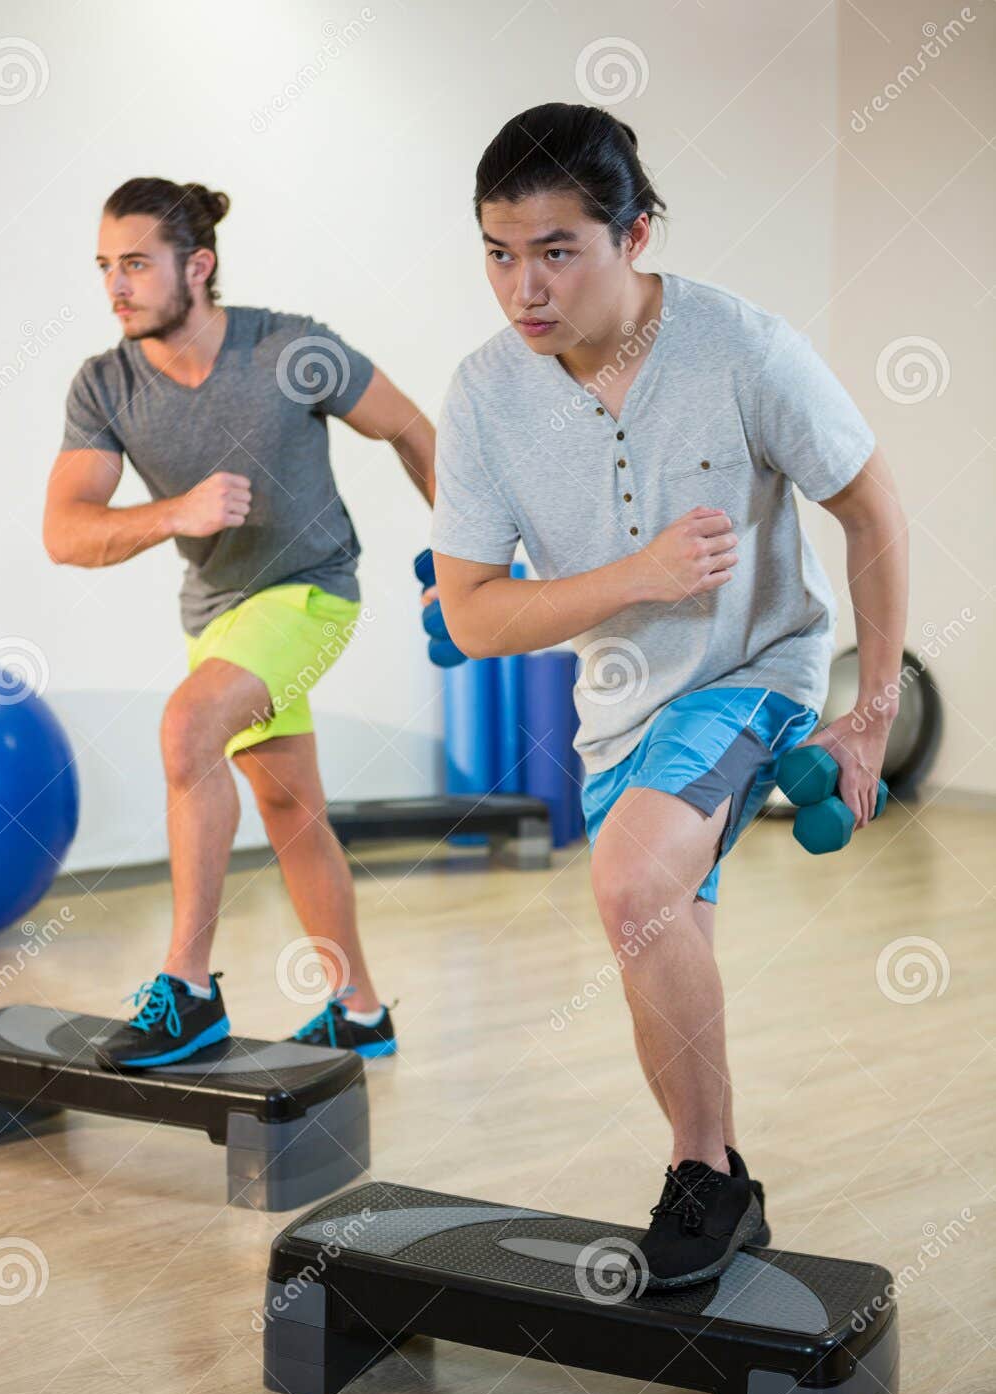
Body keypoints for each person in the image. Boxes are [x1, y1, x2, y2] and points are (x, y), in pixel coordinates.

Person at [430, 105, 907, 1289]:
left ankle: (704, 1174)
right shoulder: (484, 395)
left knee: (632, 877)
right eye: (497, 251)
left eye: (554, 250)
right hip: (618, 712)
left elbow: (871, 510)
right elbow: (476, 613)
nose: (521, 287)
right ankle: (716, 1174)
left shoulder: (741, 348)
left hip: (754, 677)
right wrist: (632, 580)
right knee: (653, 924)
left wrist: (872, 707)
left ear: (632, 233)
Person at [44, 178, 436, 1068]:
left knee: (189, 726)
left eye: (137, 263)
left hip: (310, 592)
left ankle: (186, 990)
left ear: (200, 266)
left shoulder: (289, 349)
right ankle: (360, 1009)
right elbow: (66, 531)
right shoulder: (105, 386)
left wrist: (463, 568)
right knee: (291, 807)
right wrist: (171, 513)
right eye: (106, 266)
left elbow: (412, 428)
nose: (116, 285)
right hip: (216, 615)